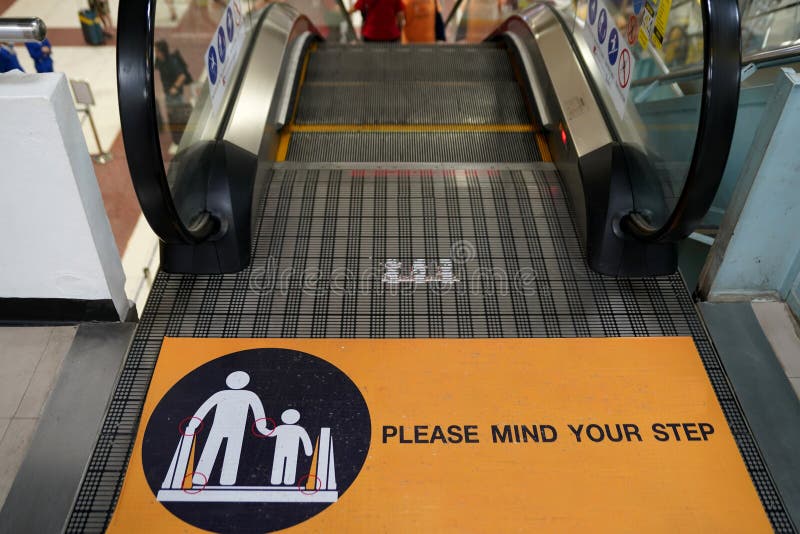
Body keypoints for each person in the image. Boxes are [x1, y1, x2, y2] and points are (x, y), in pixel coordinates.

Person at [185, 371, 270, 486]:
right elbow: (205, 408)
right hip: (220, 427)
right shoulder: (223, 394)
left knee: (231, 452)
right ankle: (203, 478)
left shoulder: (247, 395)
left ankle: (227, 479)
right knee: (212, 450)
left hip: (236, 429)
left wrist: (262, 427)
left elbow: (258, 411)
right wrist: (193, 423)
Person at [154, 40, 193, 153]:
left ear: (161, 52)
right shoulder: (160, 61)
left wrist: (175, 87)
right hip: (168, 95)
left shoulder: (172, 62)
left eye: (156, 51)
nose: (155, 53)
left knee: (178, 117)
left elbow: (182, 76)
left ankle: (183, 140)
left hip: (175, 96)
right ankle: (179, 139)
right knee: (173, 116)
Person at [266, 409, 313, 485]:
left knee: (286, 464)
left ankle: (282, 480)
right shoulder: (296, 429)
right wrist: (308, 451)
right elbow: (306, 440)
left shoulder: (283, 428)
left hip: (287, 451)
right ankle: (281, 480)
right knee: (283, 464)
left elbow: (269, 433)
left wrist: (262, 429)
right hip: (284, 451)